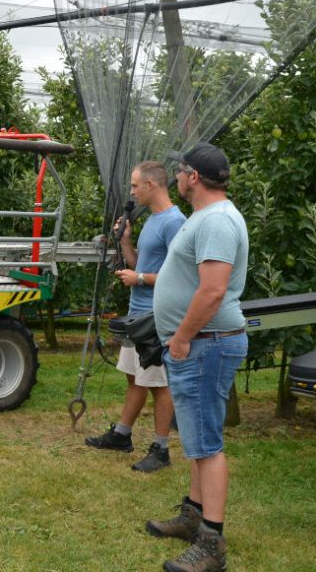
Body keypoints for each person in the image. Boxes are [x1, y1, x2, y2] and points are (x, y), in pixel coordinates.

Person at [147, 142, 248, 572]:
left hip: (205, 343)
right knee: (197, 438)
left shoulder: (218, 220)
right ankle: (193, 514)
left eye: (181, 171)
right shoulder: (205, 217)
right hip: (198, 342)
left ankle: (211, 544)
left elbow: (213, 290)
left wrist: (182, 337)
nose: (177, 177)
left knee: (207, 445)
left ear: (193, 177)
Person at [86, 161, 185, 472]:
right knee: (134, 376)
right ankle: (122, 435)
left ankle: (161, 449)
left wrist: (139, 279)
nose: (131, 192)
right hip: (137, 312)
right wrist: (126, 241)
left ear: (151, 185)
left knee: (158, 383)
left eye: (134, 186)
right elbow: (140, 263)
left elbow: (180, 275)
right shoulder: (153, 220)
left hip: (157, 315)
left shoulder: (174, 222)